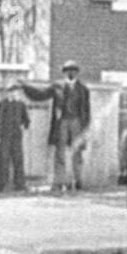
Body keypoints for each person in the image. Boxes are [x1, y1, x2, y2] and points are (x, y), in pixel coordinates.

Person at [20, 60, 92, 193]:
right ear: (64, 73)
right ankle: (59, 183)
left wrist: (86, 129)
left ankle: (77, 182)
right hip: (62, 122)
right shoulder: (57, 86)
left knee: (77, 153)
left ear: (77, 73)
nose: (70, 74)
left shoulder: (83, 89)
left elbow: (87, 111)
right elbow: (40, 94)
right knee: (60, 153)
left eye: (73, 71)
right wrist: (25, 86)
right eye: (68, 71)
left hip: (77, 122)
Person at [0, 80, 30, 193]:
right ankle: (3, 185)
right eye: (11, 91)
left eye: (16, 91)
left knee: (18, 160)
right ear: (7, 93)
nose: (13, 94)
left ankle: (20, 184)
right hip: (5, 136)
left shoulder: (21, 104)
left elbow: (26, 119)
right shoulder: (3, 104)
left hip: (17, 136)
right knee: (4, 160)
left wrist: (24, 125)